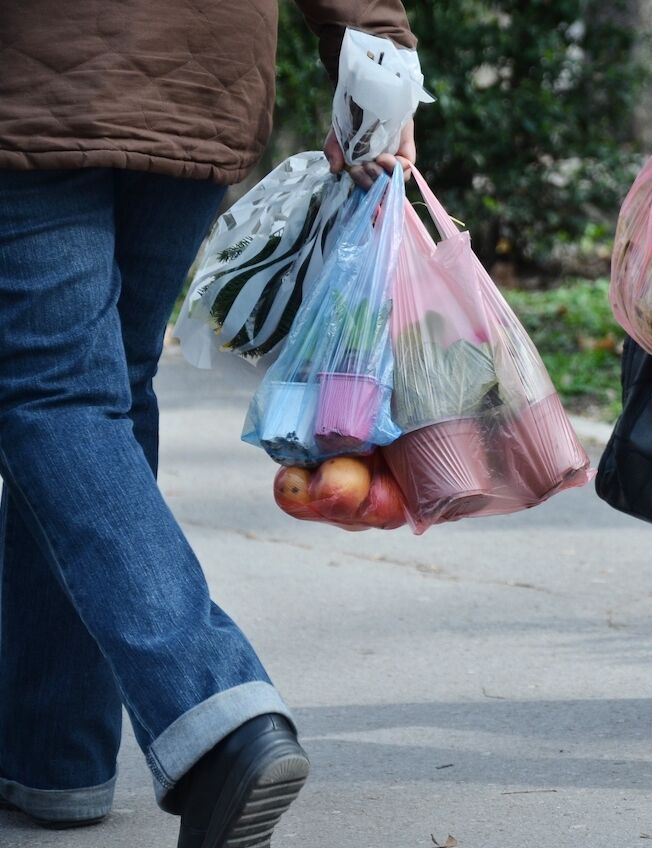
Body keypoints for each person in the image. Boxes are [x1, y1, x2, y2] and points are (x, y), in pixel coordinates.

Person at [0, 1, 415, 843]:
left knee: (56, 396)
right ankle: (54, 756)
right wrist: (382, 63)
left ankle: (214, 712)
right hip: (199, 72)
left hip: (33, 73)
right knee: (104, 393)